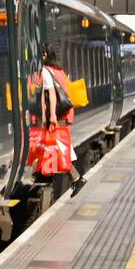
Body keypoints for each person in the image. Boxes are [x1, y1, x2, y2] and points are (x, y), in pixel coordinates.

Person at [35, 43, 83, 195]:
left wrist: (51, 116)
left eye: (42, 54)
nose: (40, 57)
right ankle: (46, 173)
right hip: (66, 112)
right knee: (60, 146)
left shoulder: (46, 71)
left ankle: (76, 178)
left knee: (59, 147)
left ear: (46, 55)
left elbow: (51, 94)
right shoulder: (60, 70)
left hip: (59, 115)